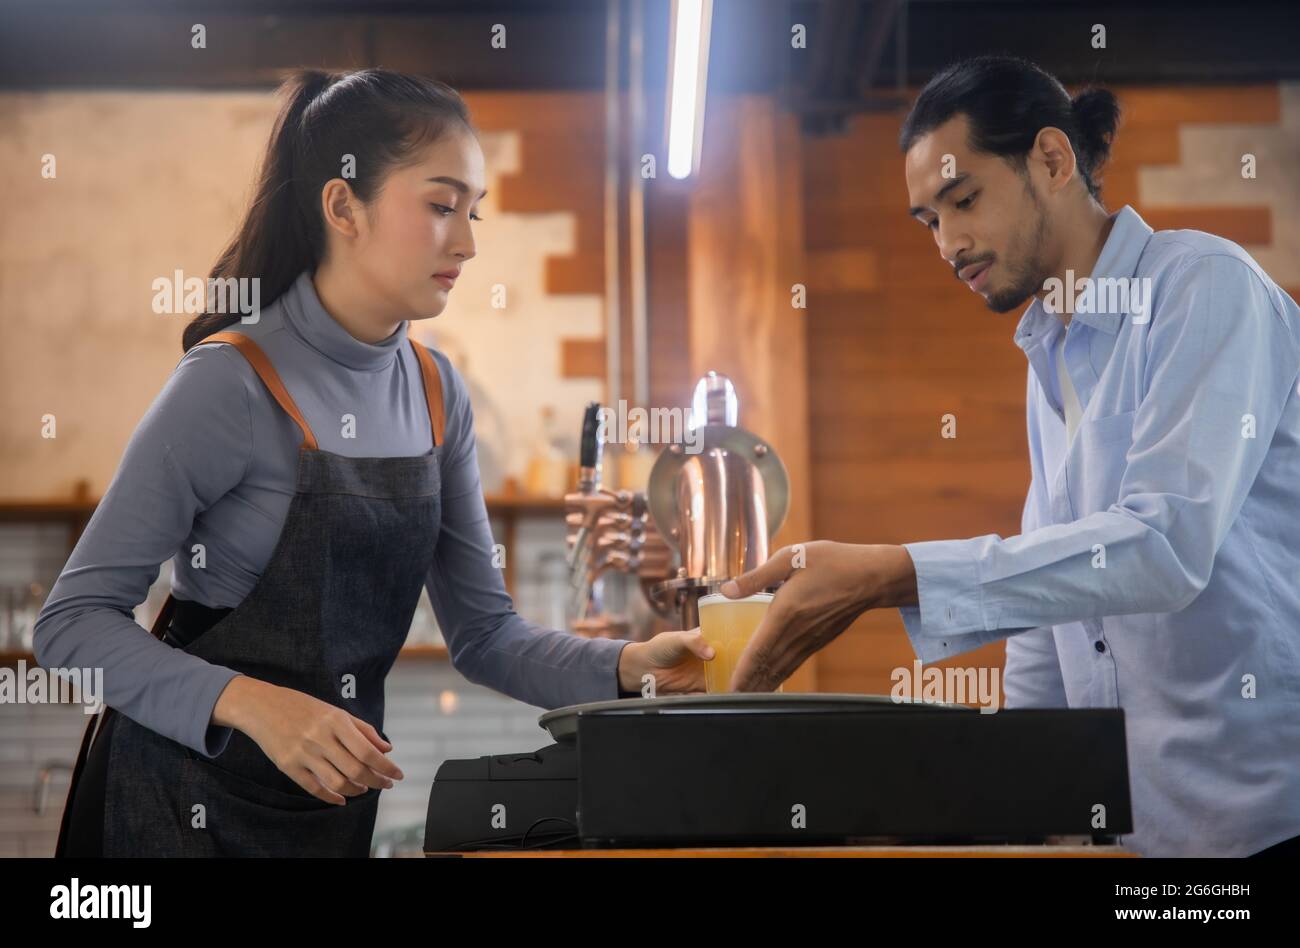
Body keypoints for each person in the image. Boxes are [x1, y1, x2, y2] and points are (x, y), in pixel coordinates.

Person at [37, 67, 709, 857]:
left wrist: (632, 665)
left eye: (474, 212)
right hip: (170, 811)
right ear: (342, 206)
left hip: (325, 814)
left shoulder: (435, 392)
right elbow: (70, 627)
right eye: (440, 205)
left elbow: (485, 635)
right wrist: (255, 704)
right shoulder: (228, 383)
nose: (466, 241)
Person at [720, 55, 1300, 858]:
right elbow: (1054, 629)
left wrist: (895, 574)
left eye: (964, 201)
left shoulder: (1203, 288)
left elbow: (1164, 548)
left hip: (1263, 827)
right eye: (928, 221)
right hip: (1139, 840)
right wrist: (1007, 804)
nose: (949, 244)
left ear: (1052, 160)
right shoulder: (1050, 354)